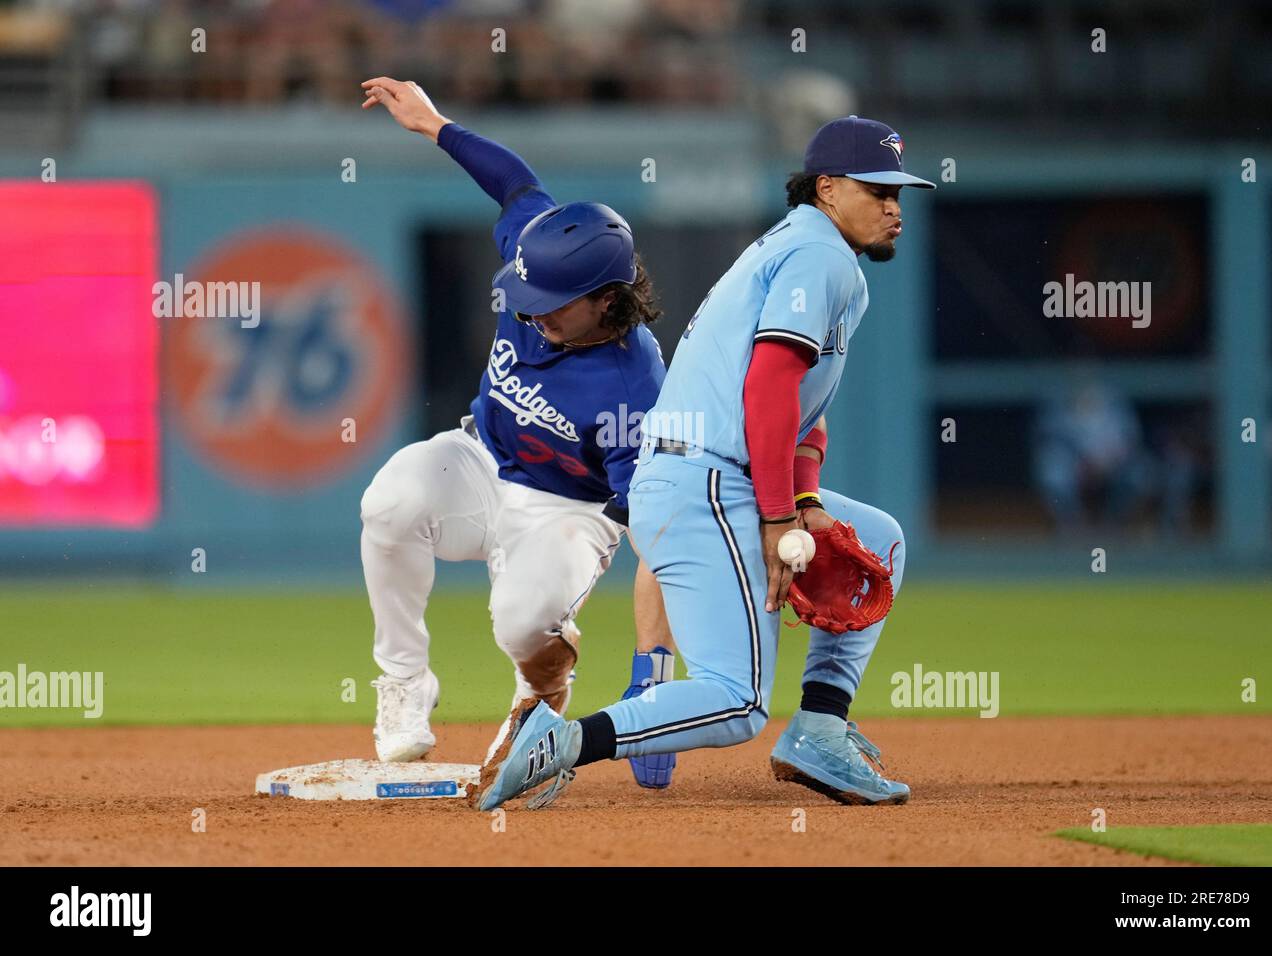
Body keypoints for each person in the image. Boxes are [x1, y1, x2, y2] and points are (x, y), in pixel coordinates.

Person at [473, 116, 935, 811]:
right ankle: (560, 740)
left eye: (901, 192)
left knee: (880, 538)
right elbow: (770, 385)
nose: (895, 206)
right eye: (878, 190)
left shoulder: (804, 250)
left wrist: (804, 501)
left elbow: (803, 411)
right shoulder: (820, 258)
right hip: (709, 483)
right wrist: (780, 516)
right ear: (829, 188)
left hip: (709, 479)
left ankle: (819, 726)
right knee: (736, 699)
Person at [358, 77, 677, 787]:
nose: (531, 311)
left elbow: (655, 533)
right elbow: (516, 184)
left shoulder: (637, 388)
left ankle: (541, 693)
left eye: (552, 304)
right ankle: (405, 682)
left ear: (607, 300)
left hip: (569, 512)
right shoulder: (544, 249)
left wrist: (654, 675)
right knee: (388, 503)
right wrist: (436, 124)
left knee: (521, 623)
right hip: (482, 458)